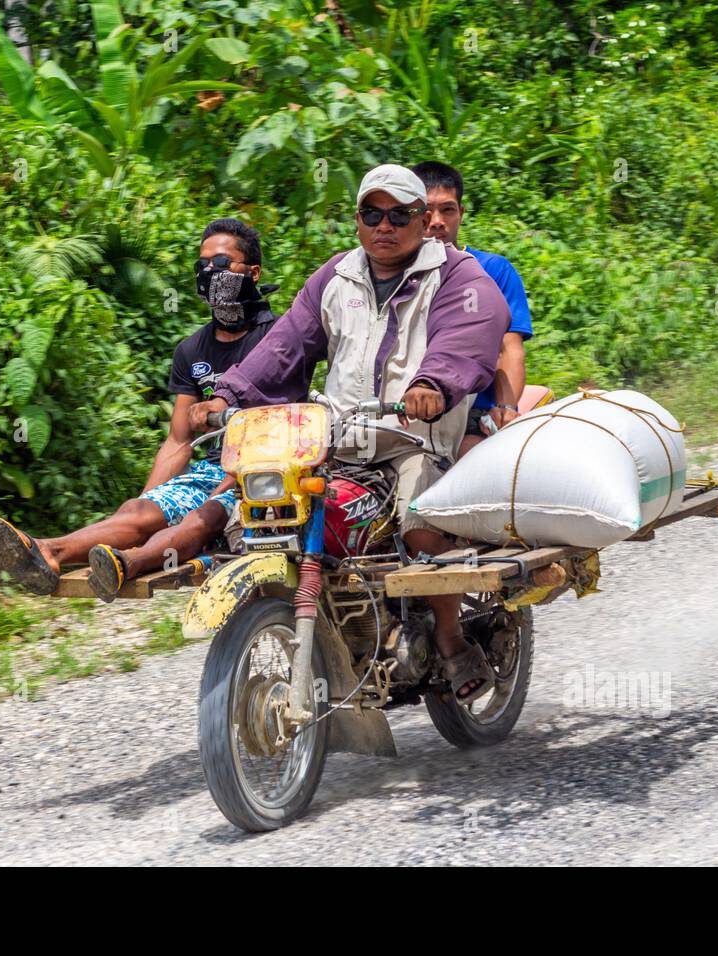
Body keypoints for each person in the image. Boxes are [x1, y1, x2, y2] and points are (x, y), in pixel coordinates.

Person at [189, 164, 510, 703]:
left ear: (421, 218)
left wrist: (433, 384)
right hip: (334, 441)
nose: (384, 226)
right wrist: (230, 395)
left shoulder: (459, 277)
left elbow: (468, 338)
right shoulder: (335, 278)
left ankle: (453, 642)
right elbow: (285, 346)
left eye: (398, 214)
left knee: (420, 528)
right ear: (357, 218)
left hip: (413, 441)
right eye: (371, 213)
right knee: (260, 512)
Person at [0, 219, 276, 601]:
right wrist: (147, 505)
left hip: (262, 473)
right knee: (141, 511)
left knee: (204, 518)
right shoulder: (191, 350)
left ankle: (130, 563)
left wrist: (227, 486)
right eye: (202, 265)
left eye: (221, 263)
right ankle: (47, 551)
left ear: (252, 272)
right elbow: (177, 441)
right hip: (209, 468)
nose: (209, 273)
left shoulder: (277, 341)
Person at [410, 161, 533, 457]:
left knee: (467, 461)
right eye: (426, 211)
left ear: (461, 214)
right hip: (401, 410)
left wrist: (505, 407)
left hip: (469, 415)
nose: (436, 221)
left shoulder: (492, 270)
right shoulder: (390, 272)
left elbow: (508, 349)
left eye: (447, 210)